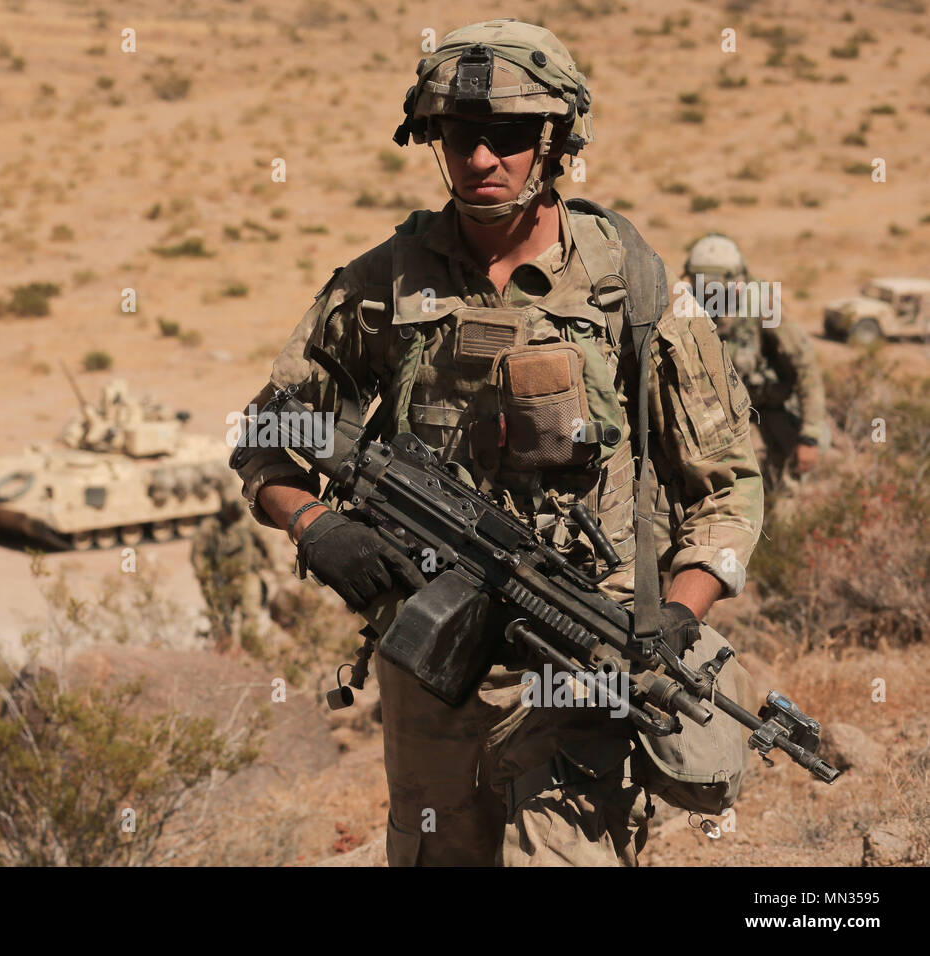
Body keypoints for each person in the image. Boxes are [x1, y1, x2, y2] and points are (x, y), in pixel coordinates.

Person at [228, 19, 763, 866]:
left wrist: (675, 614)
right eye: (459, 135)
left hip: (582, 661)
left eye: (510, 137)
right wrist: (315, 527)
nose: (482, 160)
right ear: (431, 139)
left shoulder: (635, 288)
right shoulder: (380, 287)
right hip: (431, 667)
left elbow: (727, 486)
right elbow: (264, 438)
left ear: (555, 143)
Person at [681, 234, 829, 494]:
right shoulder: (686, 307)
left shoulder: (763, 306)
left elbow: (805, 368)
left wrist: (810, 435)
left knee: (779, 476)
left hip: (767, 407)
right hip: (714, 414)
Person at [191, 492, 273, 654]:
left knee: (250, 615)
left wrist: (272, 564)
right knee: (222, 620)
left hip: (248, 577)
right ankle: (226, 651)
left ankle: (250, 650)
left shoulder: (247, 523)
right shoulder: (210, 527)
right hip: (222, 581)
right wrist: (205, 578)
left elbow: (265, 542)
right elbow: (198, 554)